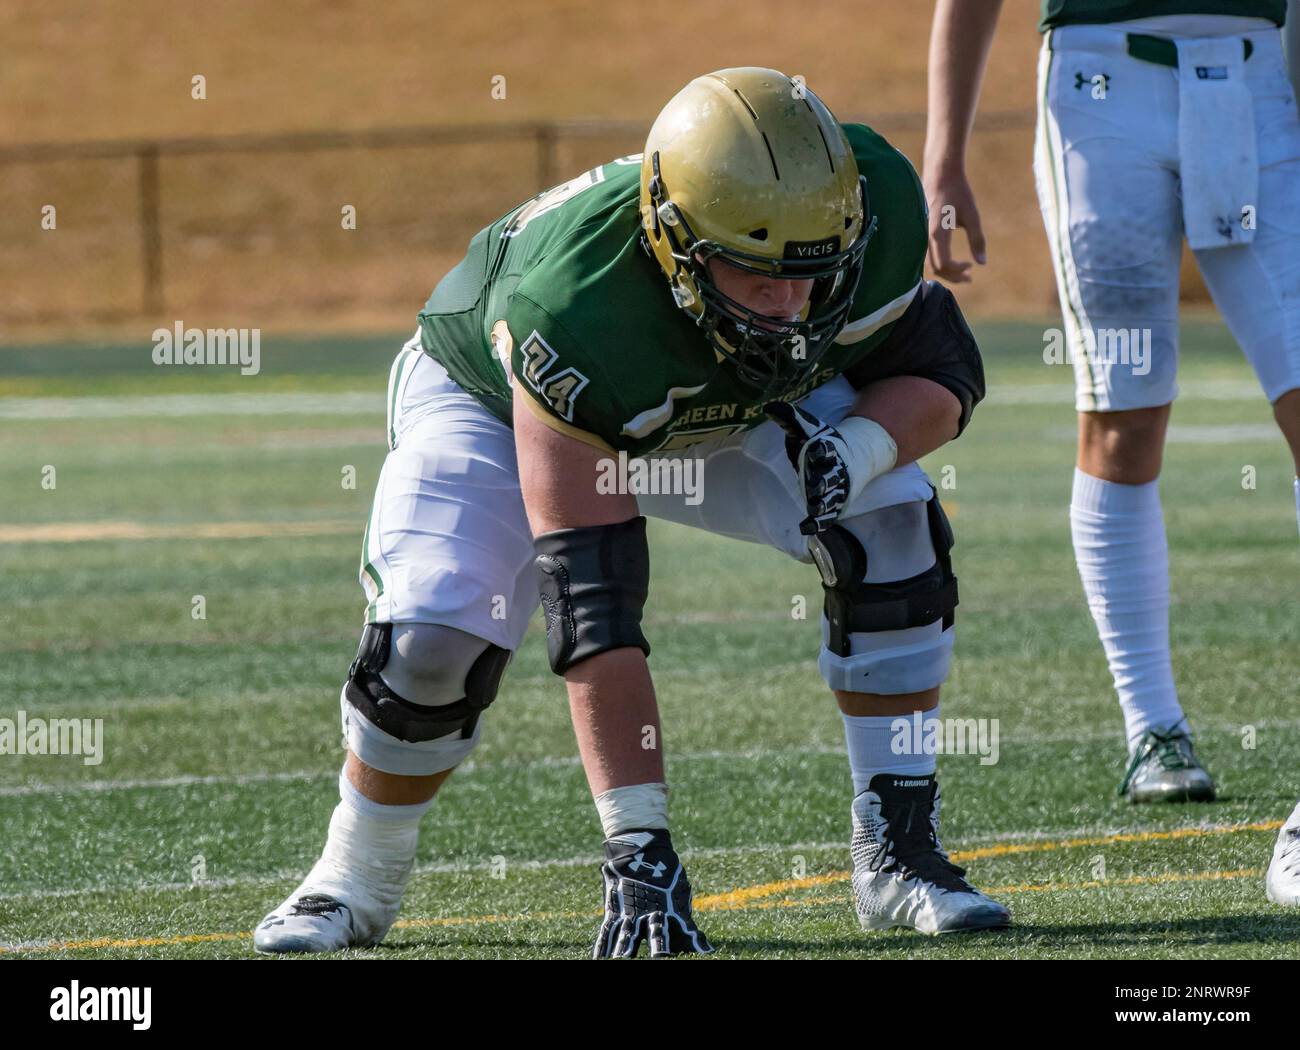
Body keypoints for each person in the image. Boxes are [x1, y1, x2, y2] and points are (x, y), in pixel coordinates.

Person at [254, 66, 1007, 957]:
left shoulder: (868, 207)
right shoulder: (575, 309)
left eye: (812, 272)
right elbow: (593, 606)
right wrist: (638, 849)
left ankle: (900, 855)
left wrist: (857, 451)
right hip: (502, 404)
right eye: (756, 273)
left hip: (712, 401)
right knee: (432, 646)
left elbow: (944, 365)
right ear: (676, 243)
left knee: (892, 529)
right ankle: (352, 875)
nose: (790, 303)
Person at [923, 0, 1300, 899]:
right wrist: (945, 152)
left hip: (1259, 74)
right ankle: (1154, 725)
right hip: (1099, 85)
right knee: (1124, 417)